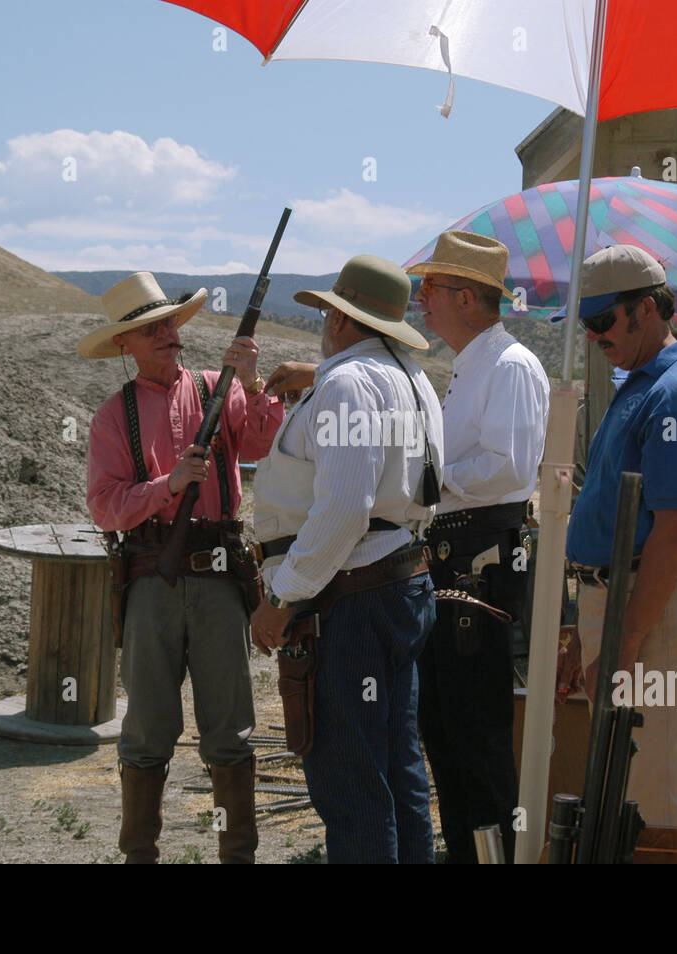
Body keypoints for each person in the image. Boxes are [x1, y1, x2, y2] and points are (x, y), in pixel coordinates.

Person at [81, 272, 283, 863]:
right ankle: (140, 854)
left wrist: (252, 379)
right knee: (146, 734)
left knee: (230, 733)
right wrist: (166, 486)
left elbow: (263, 442)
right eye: (152, 329)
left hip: (220, 579)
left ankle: (235, 855)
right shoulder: (112, 417)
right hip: (150, 581)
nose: (169, 334)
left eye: (169, 323)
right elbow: (105, 506)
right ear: (127, 345)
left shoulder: (219, 386)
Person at [250, 255, 445, 863]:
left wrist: (284, 598)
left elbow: (344, 510)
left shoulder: (347, 384)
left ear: (339, 317)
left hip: (351, 594)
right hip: (394, 582)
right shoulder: (413, 380)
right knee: (395, 764)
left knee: (352, 778)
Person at [566, 245, 677, 828]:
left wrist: (624, 639)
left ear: (646, 310)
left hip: (650, 609)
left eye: (601, 321)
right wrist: (590, 628)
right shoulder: (645, 383)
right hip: (629, 606)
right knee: (629, 796)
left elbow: (676, 531)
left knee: (655, 805)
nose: (592, 336)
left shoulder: (676, 394)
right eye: (586, 323)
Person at [405, 230, 549, 863]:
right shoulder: (476, 365)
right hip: (454, 566)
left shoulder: (509, 365)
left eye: (430, 289)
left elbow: (510, 466)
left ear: (465, 297)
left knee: (477, 739)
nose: (421, 301)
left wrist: (426, 480)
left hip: (477, 571)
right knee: (446, 732)